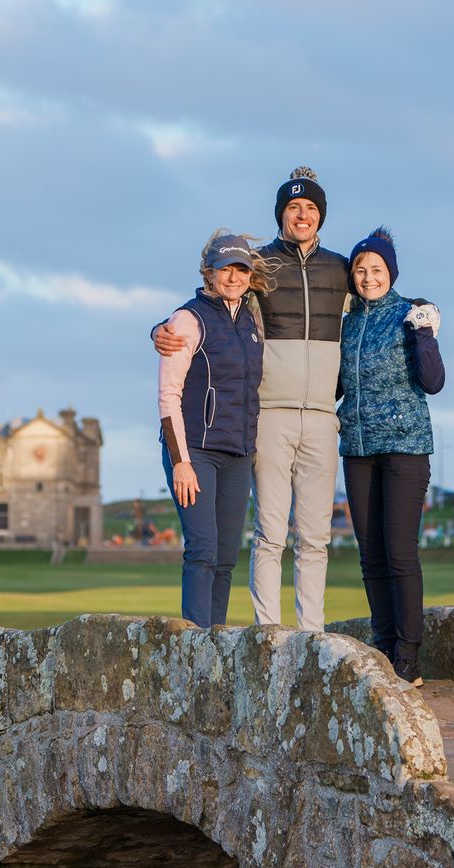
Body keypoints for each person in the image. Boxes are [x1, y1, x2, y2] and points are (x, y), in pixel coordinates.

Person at [154, 167, 353, 632]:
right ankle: (268, 634)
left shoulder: (341, 269)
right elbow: (202, 313)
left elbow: (375, 294)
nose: (301, 215)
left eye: (310, 208)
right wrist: (161, 330)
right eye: (292, 207)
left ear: (320, 216)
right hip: (266, 419)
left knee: (313, 539)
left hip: (319, 417)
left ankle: (313, 635)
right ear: (281, 213)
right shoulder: (258, 265)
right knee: (267, 536)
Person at [336, 227, 443, 684]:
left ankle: (408, 656)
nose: (367, 277)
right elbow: (335, 385)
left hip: (404, 448)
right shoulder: (347, 323)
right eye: (360, 270)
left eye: (376, 269)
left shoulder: (410, 314)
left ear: (390, 273)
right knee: (370, 554)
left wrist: (424, 335)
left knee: (400, 552)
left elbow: (433, 382)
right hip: (358, 448)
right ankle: (383, 646)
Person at [157, 231, 273, 628]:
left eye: (242, 269)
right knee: (202, 550)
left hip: (238, 455)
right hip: (196, 453)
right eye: (227, 268)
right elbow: (168, 396)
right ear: (209, 272)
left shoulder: (251, 320)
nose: (235, 276)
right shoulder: (187, 319)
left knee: (226, 557)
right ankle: (194, 648)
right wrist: (181, 462)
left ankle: (217, 645)